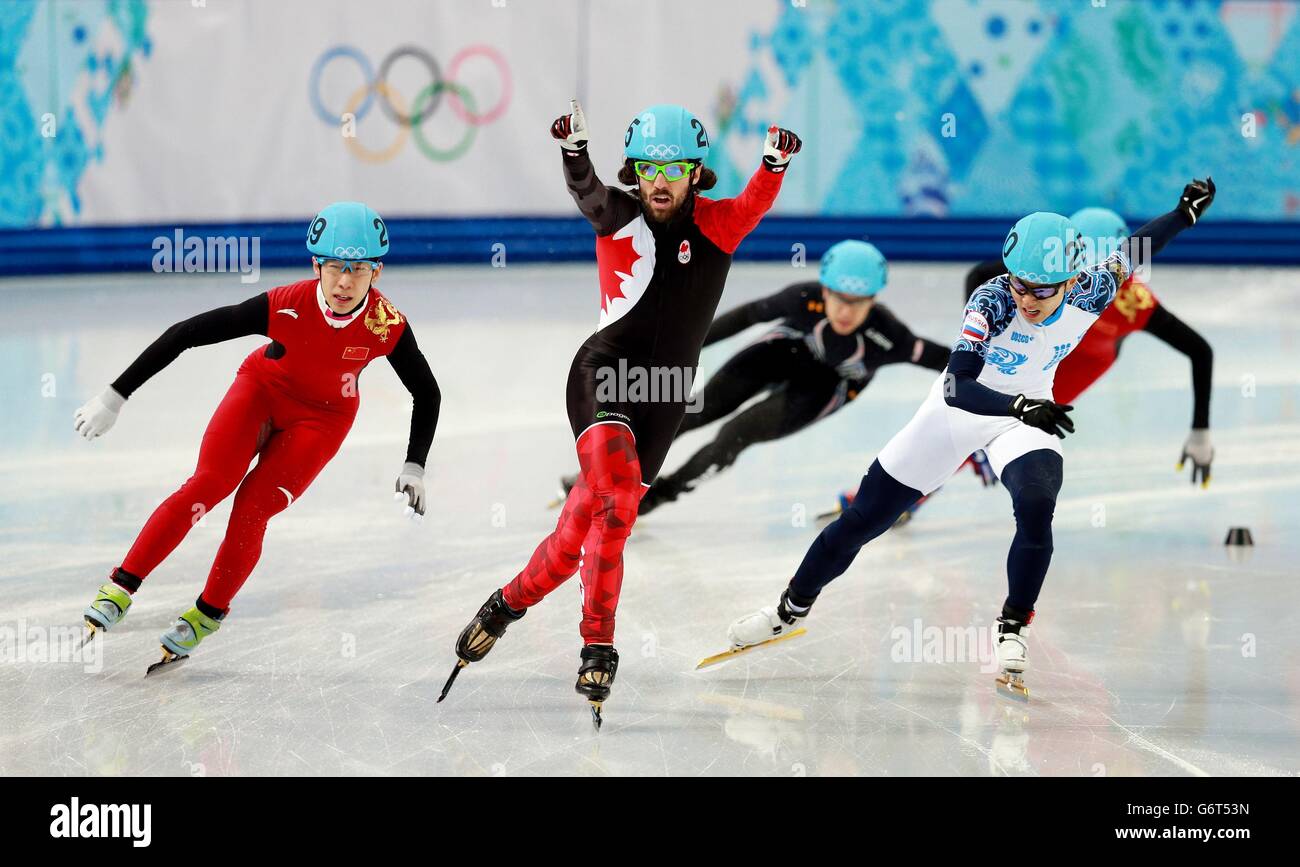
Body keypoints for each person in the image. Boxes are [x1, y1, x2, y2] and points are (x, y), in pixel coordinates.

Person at [722, 178, 1215, 699]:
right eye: (1020, 283)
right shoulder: (993, 300)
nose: (1027, 298)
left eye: (1042, 290)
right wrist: (1020, 404)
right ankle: (787, 611)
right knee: (863, 522)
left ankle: (1012, 628)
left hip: (1020, 416)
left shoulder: (1096, 289)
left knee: (1036, 503)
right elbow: (958, 386)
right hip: (956, 411)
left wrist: (1183, 212)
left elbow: (1138, 248)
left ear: (1072, 281)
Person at [439, 100, 800, 724]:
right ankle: (598, 641)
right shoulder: (619, 213)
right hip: (602, 376)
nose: (660, 181)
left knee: (587, 525)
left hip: (663, 392)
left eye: (675, 168)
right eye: (649, 169)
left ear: (695, 172)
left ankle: (505, 603)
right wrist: (574, 152)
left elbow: (754, 205)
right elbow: (588, 194)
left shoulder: (718, 225)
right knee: (611, 506)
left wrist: (772, 163)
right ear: (635, 170)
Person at [75, 202, 441, 672]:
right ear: (316, 267)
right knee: (209, 484)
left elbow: (426, 392)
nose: (345, 282)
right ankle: (121, 587)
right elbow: (184, 333)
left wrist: (415, 463)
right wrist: (115, 395)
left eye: (358, 270)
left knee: (252, 509)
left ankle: (206, 615)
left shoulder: (386, 326)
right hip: (262, 390)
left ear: (377, 273)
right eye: (334, 267)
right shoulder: (285, 304)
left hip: (323, 420)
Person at [632, 240, 950, 515]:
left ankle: (654, 497)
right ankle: (613, 478)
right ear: (824, 290)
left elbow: (946, 360)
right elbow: (746, 316)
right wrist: (680, 347)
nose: (845, 312)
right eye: (838, 298)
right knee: (689, 412)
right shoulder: (801, 297)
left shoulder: (890, 336)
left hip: (824, 387)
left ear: (873, 300)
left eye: (858, 303)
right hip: (782, 354)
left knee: (734, 435)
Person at [963, 206, 1214, 485]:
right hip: (1046, 340)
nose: (1083, 282)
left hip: (1088, 358)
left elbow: (1200, 351)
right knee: (970, 416)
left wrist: (1200, 431)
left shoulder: (1134, 304)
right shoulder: (1043, 268)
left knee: (1010, 422)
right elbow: (978, 277)